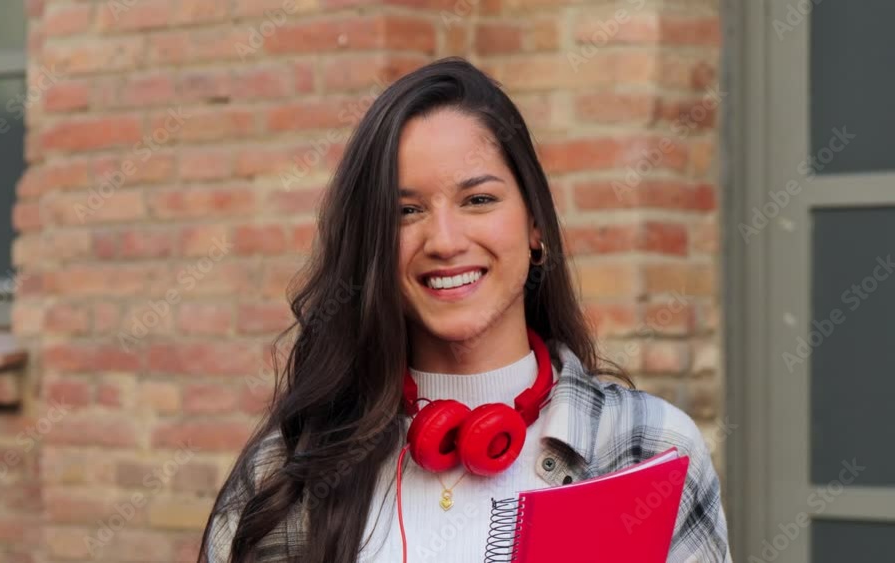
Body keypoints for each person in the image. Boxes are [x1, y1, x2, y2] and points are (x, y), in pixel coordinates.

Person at [198, 57, 732, 563]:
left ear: (535, 228)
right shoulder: (288, 469)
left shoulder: (651, 449)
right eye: (406, 211)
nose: (446, 241)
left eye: (478, 200)